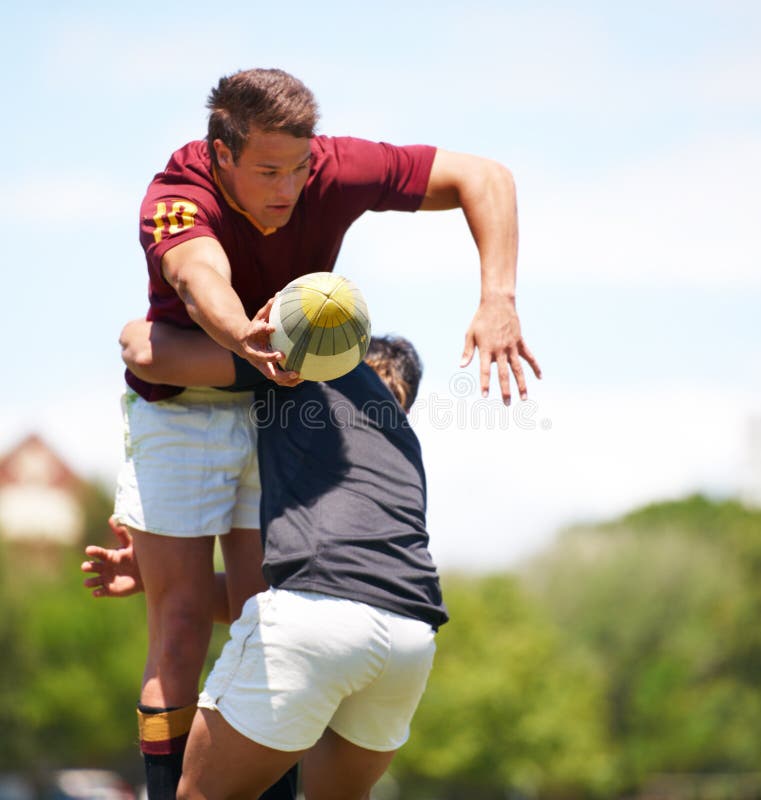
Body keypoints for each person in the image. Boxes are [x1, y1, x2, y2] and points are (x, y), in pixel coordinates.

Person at [112, 66, 539, 798]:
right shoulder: (176, 197)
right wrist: (245, 339)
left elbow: (485, 175)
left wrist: (497, 295)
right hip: (186, 395)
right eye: (268, 171)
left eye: (300, 169)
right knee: (181, 623)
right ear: (221, 155)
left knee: (262, 617)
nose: (289, 188)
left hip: (273, 403)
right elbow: (198, 277)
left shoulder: (334, 169)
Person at [85, 335, 447, 800]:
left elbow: (147, 354)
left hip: (317, 622)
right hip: (410, 639)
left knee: (198, 794)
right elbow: (353, 588)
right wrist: (156, 575)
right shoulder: (403, 446)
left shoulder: (305, 371)